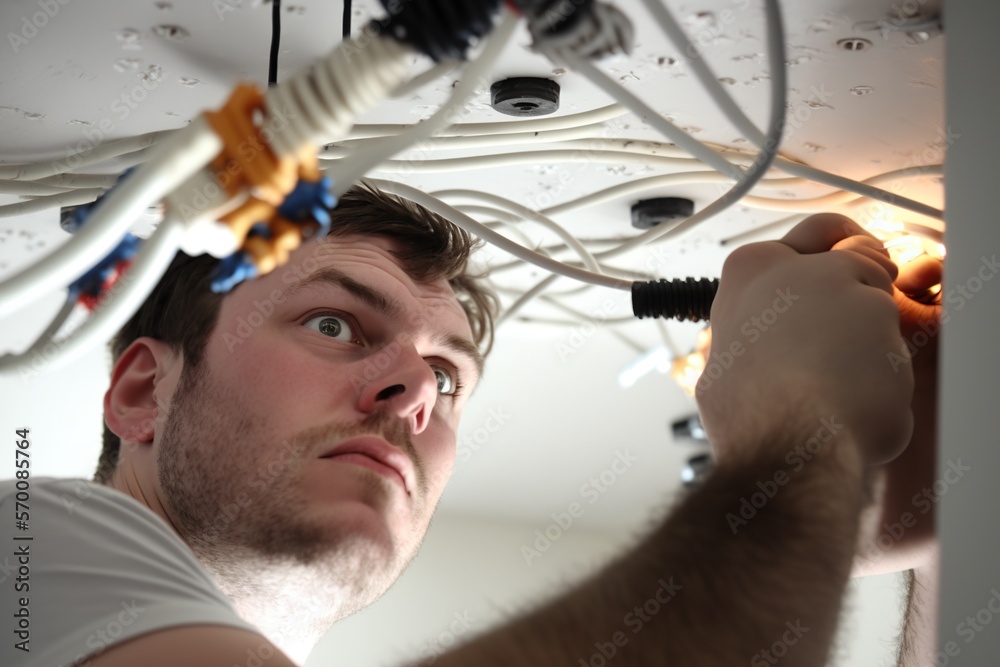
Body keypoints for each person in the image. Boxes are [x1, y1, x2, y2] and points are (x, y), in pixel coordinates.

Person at [0, 183, 939, 667]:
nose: (412, 397)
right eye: (336, 324)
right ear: (139, 393)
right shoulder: (25, 546)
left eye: (447, 377)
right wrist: (803, 435)